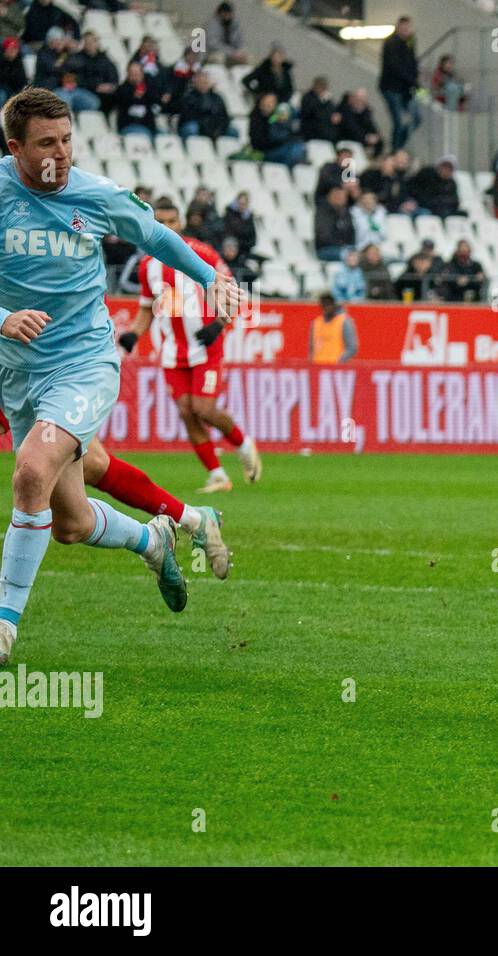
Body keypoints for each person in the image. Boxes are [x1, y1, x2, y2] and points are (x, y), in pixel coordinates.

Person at [0, 88, 247, 663]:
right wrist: (5, 319)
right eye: (45, 145)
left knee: (31, 470)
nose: (59, 155)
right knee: (68, 522)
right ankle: (152, 536)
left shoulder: (96, 194)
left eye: (66, 140)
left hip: (83, 363)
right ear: (15, 148)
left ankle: (6, 623)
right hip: (17, 374)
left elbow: (156, 237)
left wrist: (210, 277)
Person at [119, 196, 261, 493]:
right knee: (186, 410)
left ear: (180, 222)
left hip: (206, 345)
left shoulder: (201, 253)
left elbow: (233, 289)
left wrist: (219, 325)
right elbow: (147, 308)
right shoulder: (148, 266)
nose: (167, 227)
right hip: (173, 350)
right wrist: (134, 333)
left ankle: (243, 444)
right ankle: (217, 475)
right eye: (161, 222)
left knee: (204, 408)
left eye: (172, 222)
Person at [0, 413, 229, 578]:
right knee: (88, 477)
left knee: (90, 469)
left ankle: (170, 529)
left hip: (59, 369)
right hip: (23, 369)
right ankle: (191, 519)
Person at [379, 15, 419, 151]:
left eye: (408, 27)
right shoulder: (391, 43)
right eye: (404, 27)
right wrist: (412, 80)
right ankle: (395, 150)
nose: (406, 30)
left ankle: (400, 145)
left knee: (416, 118)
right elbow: (396, 67)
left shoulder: (410, 42)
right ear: (398, 27)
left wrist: (415, 80)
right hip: (392, 88)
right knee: (399, 121)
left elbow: (412, 62)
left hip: (405, 89)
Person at [248, 91, 305, 166]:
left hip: (278, 147)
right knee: (294, 149)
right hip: (265, 151)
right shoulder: (256, 118)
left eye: (272, 102)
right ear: (261, 103)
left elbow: (287, 132)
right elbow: (259, 142)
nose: (270, 105)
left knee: (298, 144)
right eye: (267, 102)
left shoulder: (275, 117)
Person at [178, 69, 233, 139]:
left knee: (232, 131)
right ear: (195, 83)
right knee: (191, 129)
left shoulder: (217, 97)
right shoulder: (188, 97)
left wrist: (219, 129)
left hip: (214, 126)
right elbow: (188, 116)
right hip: (197, 125)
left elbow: (224, 116)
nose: (203, 84)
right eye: (200, 82)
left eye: (205, 82)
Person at [114, 60, 159, 137]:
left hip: (149, 127)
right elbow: (123, 101)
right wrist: (136, 96)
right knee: (144, 135)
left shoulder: (149, 88)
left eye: (137, 74)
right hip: (130, 126)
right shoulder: (122, 89)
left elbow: (156, 101)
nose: (135, 77)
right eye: (132, 74)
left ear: (142, 74)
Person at [308, 294, 358, 364]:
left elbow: (352, 348)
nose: (325, 307)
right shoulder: (316, 323)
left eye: (328, 304)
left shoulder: (344, 321)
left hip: (336, 368)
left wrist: (339, 361)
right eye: (323, 304)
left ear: (335, 304)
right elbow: (311, 348)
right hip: (318, 367)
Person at [336, 88, 382, 157]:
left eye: (363, 99)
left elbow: (371, 126)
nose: (360, 102)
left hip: (363, 141)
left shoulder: (366, 113)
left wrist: (376, 136)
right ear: (352, 99)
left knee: (380, 142)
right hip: (348, 141)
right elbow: (351, 128)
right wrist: (366, 138)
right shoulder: (345, 111)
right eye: (358, 99)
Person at [314, 184, 356, 261]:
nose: (340, 198)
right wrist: (342, 244)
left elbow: (351, 232)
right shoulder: (323, 213)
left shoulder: (346, 213)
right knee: (350, 256)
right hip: (326, 249)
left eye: (343, 196)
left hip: (346, 248)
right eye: (337, 195)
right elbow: (324, 235)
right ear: (330, 197)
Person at [205, 2, 248, 66]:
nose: (227, 17)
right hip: (214, 52)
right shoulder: (212, 24)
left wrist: (239, 52)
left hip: (232, 53)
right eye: (224, 14)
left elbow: (240, 41)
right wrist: (231, 52)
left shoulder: (235, 24)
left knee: (247, 57)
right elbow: (213, 44)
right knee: (219, 58)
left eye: (229, 14)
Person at [299, 75, 338, 142]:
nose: (322, 89)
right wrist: (322, 101)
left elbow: (332, 111)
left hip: (326, 131)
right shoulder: (308, 97)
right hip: (311, 131)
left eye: (324, 87)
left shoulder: (327, 100)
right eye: (320, 86)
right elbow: (313, 113)